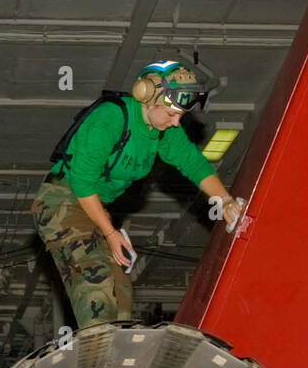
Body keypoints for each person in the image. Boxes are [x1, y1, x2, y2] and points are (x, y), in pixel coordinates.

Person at [33, 62, 244, 328]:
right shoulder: (111, 118)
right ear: (147, 97)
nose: (176, 122)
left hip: (95, 207)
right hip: (62, 199)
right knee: (94, 279)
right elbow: (83, 183)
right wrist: (110, 233)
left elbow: (194, 164)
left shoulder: (162, 130)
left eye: (180, 115)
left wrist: (224, 201)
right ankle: (95, 351)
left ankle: (115, 358)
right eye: (170, 113)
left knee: (121, 289)